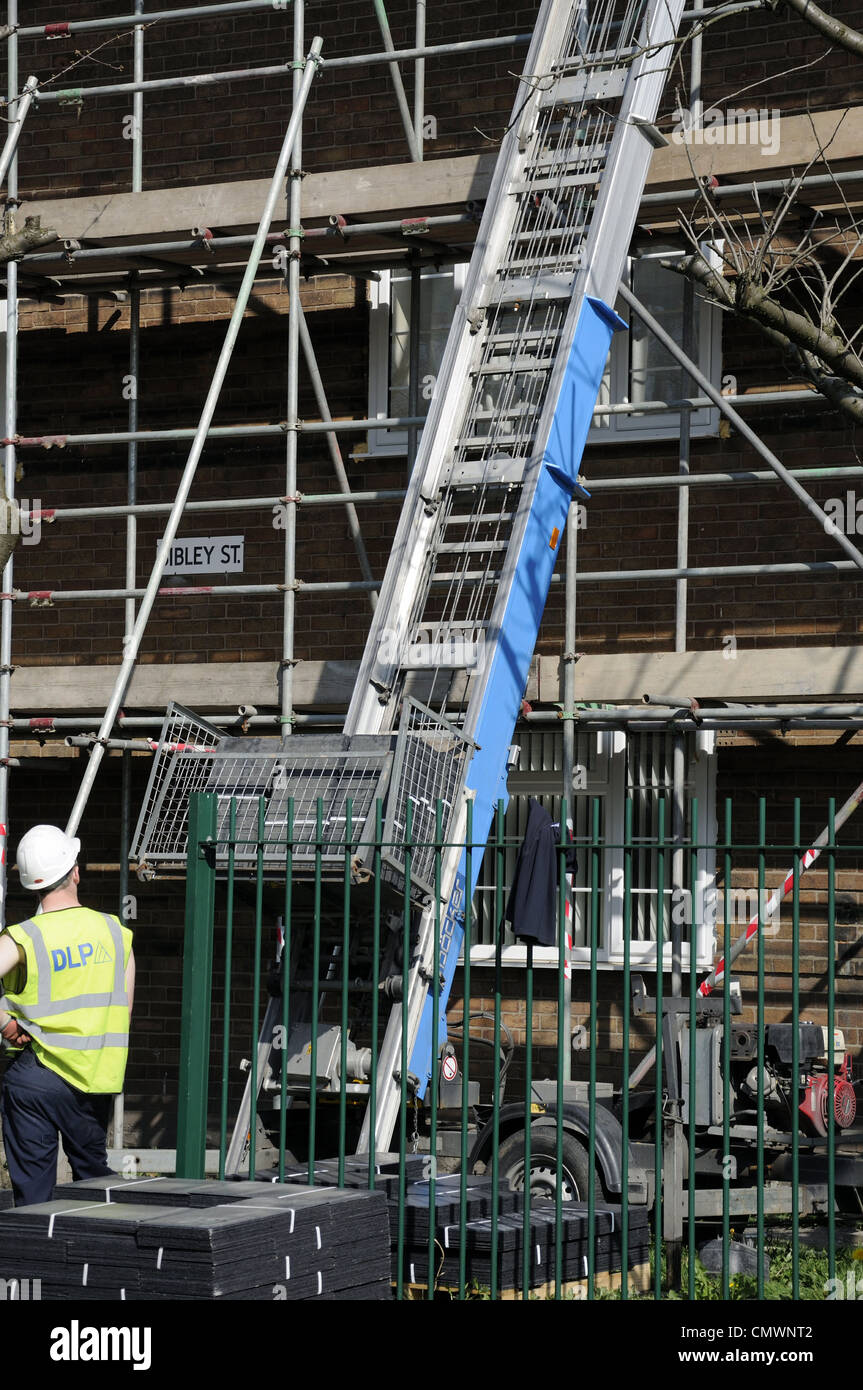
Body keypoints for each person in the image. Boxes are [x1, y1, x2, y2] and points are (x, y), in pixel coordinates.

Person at [0, 825, 134, 1206]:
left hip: (35, 1075)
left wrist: (6, 1023)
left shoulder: (24, 936)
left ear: (31, 884)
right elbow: (123, 1011)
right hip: (91, 1080)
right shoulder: (115, 932)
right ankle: (97, 1259)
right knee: (93, 1180)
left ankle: (36, 1263)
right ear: (75, 872)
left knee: (34, 1195)